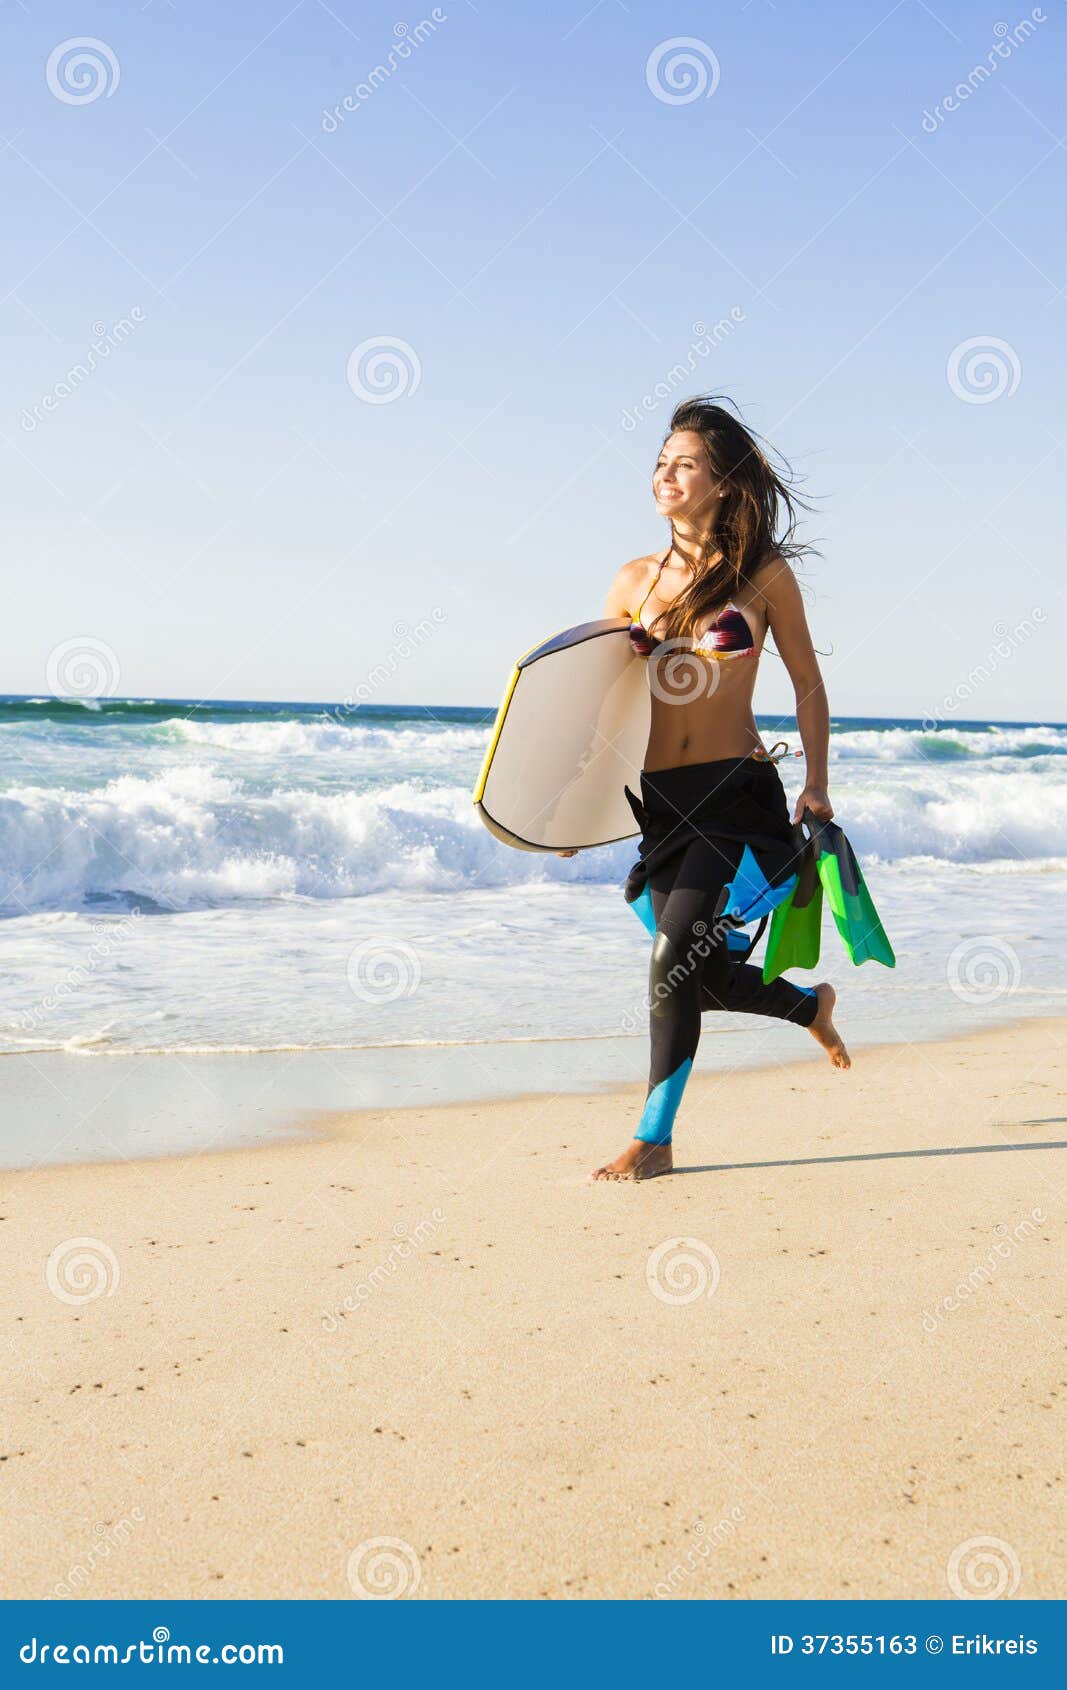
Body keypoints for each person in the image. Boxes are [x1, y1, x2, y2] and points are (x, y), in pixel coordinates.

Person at [571, 395, 849, 1182]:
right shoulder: (632, 580)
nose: (664, 475)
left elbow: (806, 682)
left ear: (723, 482)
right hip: (660, 800)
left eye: (684, 464)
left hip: (733, 791)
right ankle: (806, 1006)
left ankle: (653, 1139)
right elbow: (601, 704)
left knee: (670, 960)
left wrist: (816, 781)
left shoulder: (762, 575)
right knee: (692, 970)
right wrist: (570, 807)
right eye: (660, 462)